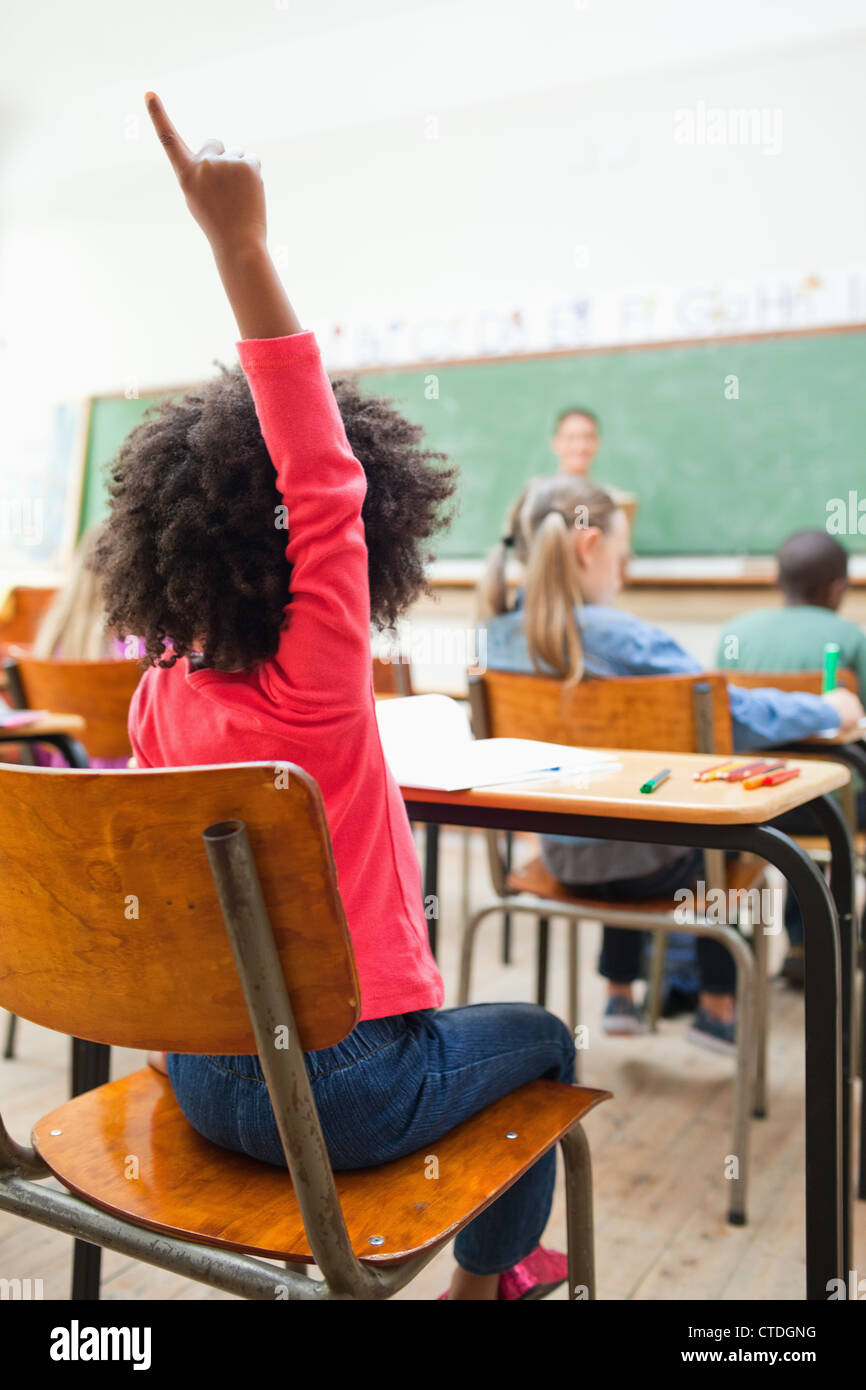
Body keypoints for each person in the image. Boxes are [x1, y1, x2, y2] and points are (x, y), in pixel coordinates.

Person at [93, 91, 580, 1302]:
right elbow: (323, 477)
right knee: (547, 1046)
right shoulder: (316, 681)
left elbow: (310, 490)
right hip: (352, 1090)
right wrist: (240, 252)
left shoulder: (157, 697)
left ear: (168, 541)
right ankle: (485, 1288)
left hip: (201, 1076)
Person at [477, 476, 864, 1051]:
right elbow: (735, 711)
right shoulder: (624, 638)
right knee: (731, 828)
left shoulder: (496, 635)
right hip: (657, 871)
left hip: (556, 858)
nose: (624, 572)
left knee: (615, 800)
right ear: (588, 547)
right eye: (623, 556)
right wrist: (826, 710)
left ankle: (621, 993)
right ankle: (716, 1007)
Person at [718, 528, 866, 983]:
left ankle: (755, 947)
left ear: (777, 581)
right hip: (833, 812)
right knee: (834, 791)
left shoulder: (734, 634)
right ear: (838, 588)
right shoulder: (851, 638)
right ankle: (827, 945)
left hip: (746, 807)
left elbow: (719, 727)